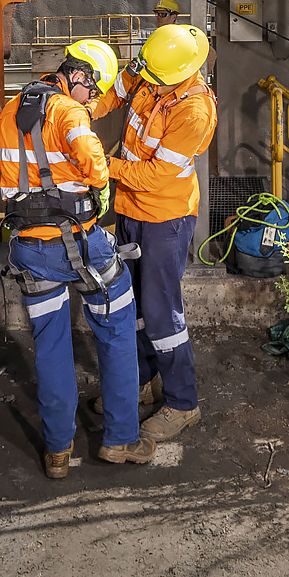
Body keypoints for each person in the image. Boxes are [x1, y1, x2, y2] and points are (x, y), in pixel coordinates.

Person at [0, 39, 154, 478]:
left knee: (49, 345)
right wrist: (99, 186)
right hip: (80, 245)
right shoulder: (69, 111)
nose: (92, 99)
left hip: (28, 248)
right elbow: (94, 165)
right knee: (117, 330)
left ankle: (57, 451)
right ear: (79, 75)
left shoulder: (10, 110)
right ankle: (121, 440)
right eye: (93, 89)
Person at [89, 24, 216, 442]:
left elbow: (157, 175)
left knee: (161, 313)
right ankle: (142, 382)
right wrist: (79, 112)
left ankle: (183, 402)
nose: (147, 83)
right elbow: (116, 92)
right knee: (134, 303)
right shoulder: (153, 68)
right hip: (130, 208)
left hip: (165, 217)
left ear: (183, 73)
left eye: (155, 79)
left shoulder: (194, 112)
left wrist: (101, 164)